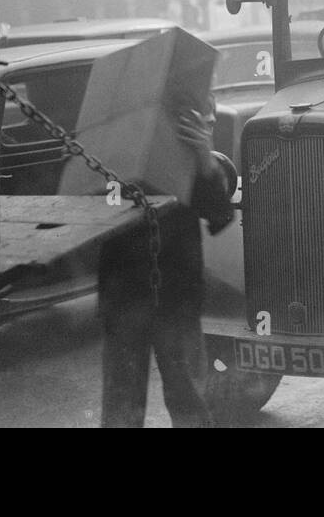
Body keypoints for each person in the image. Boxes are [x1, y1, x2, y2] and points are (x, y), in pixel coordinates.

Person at [99, 95, 235, 427]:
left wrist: (204, 157)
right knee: (122, 404)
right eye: (205, 121)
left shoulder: (193, 164)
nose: (210, 127)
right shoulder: (114, 158)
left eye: (209, 123)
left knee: (189, 397)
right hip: (125, 299)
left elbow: (219, 215)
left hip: (177, 299)